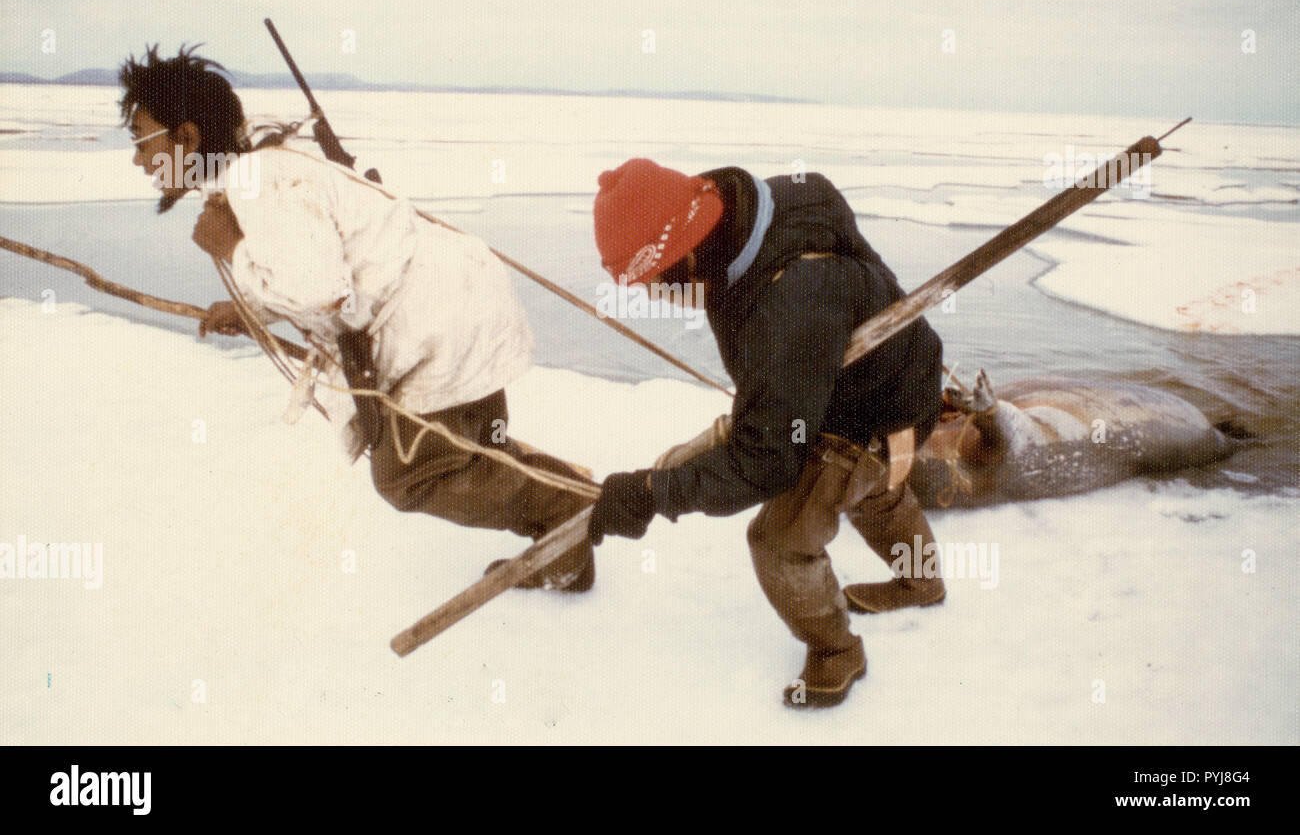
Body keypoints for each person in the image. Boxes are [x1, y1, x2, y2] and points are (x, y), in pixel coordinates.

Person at [118, 44, 593, 591]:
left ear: (187, 138)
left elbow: (321, 291)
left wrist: (235, 253)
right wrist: (251, 308)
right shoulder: (267, 167)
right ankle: (567, 543)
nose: (137, 159)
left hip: (436, 322)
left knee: (410, 476)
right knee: (473, 444)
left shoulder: (258, 182)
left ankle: (567, 515)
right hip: (456, 300)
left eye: (141, 140)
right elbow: (316, 266)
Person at [587, 158, 947, 707]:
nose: (652, 294)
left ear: (685, 248)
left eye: (654, 279)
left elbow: (765, 464)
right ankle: (922, 580)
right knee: (875, 493)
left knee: (783, 539)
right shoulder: (770, 205)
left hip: (866, 412)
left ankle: (835, 651)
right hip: (878, 371)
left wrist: (653, 495)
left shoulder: (790, 306)